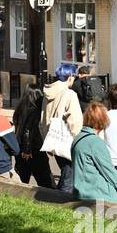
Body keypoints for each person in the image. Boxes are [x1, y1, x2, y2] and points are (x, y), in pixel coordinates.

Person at [38, 62, 84, 194]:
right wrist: (78, 140)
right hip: (67, 141)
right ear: (69, 77)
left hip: (52, 138)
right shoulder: (69, 94)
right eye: (74, 77)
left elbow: (42, 119)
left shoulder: (48, 93)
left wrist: (45, 138)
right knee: (69, 177)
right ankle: (59, 203)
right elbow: (75, 122)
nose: (74, 80)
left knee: (66, 173)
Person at [71, 102, 117, 204]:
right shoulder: (95, 142)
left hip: (80, 192)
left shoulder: (78, 138)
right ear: (103, 121)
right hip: (97, 193)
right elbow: (108, 170)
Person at [12, 83, 55, 188]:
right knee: (46, 181)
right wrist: (27, 150)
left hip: (21, 148)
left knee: (22, 181)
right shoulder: (35, 111)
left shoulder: (19, 109)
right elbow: (28, 131)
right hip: (33, 149)